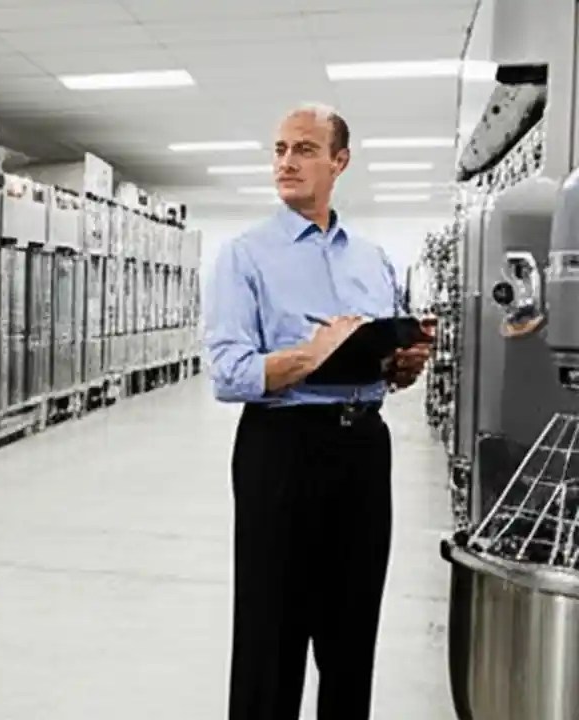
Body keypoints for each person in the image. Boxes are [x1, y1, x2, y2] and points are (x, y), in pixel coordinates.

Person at [203, 104, 433, 720]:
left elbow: (383, 359)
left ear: (339, 161)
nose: (286, 162)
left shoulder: (373, 258)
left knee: (352, 634)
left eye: (303, 148)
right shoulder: (244, 256)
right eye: (279, 149)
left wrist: (399, 366)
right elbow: (228, 374)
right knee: (270, 636)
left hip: (363, 451)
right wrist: (313, 355)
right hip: (281, 450)